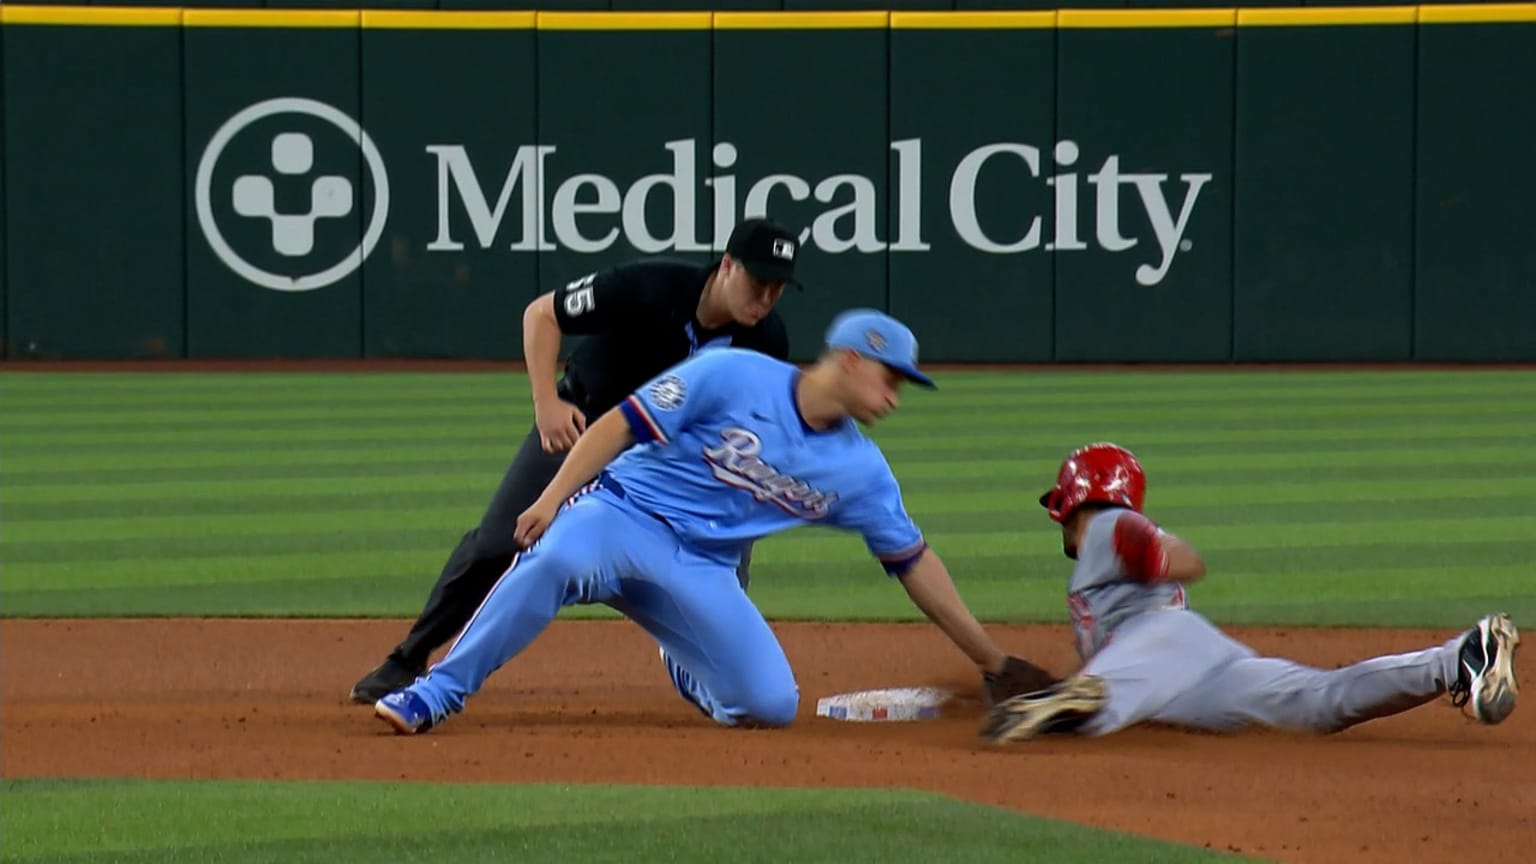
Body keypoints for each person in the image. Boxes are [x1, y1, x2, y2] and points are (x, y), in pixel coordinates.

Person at [373, 308, 1056, 734]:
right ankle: (434, 693)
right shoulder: (733, 373)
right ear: (851, 360)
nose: (896, 399)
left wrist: (990, 660)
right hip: (619, 514)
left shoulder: (861, 471)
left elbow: (915, 564)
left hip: (697, 569)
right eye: (891, 379)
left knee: (770, 707)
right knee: (552, 560)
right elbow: (619, 424)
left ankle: (685, 661)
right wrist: (554, 498)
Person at [349, 217, 801, 705]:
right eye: (758, 282)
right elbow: (542, 315)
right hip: (582, 424)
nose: (766, 297)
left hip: (665, 460)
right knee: (501, 542)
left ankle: (708, 670)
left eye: (777, 287)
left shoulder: (767, 340)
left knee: (723, 567)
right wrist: (546, 404)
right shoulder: (649, 287)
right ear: (727, 266)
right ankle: (409, 657)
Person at [979, 442, 1522, 744]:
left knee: (1087, 711)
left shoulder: (1104, 526)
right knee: (1319, 703)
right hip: (1196, 669)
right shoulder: (1111, 536)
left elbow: (1166, 550)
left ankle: (1079, 700)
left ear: (1071, 499)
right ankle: (1455, 660)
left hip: (1163, 641)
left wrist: (1164, 558)